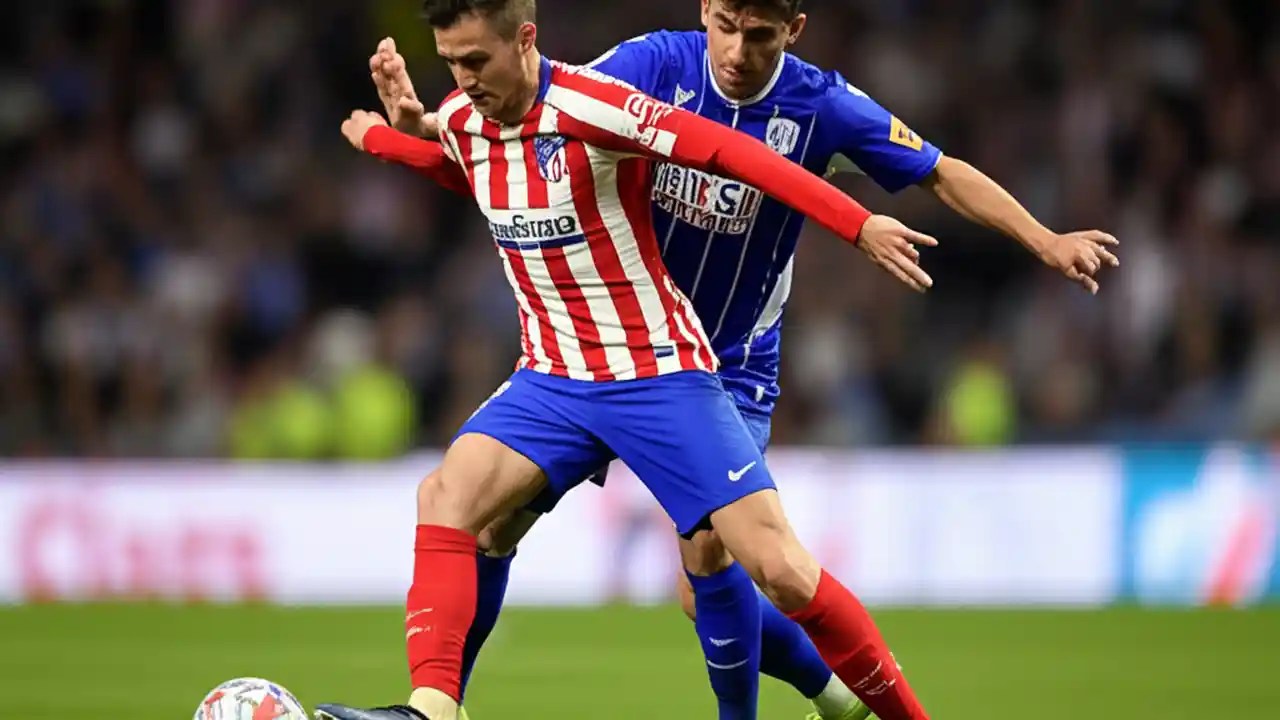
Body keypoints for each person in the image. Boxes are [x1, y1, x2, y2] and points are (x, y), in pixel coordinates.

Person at [360, 1, 1121, 718]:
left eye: (759, 34)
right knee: (475, 515)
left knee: (732, 569)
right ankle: (433, 705)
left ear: (793, 29)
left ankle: (833, 700)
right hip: (585, 348)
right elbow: (523, 135)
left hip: (714, 360)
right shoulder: (647, 67)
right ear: (703, 11)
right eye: (725, 24)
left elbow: (940, 170)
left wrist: (1041, 239)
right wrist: (409, 132)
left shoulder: (821, 106)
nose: (737, 51)